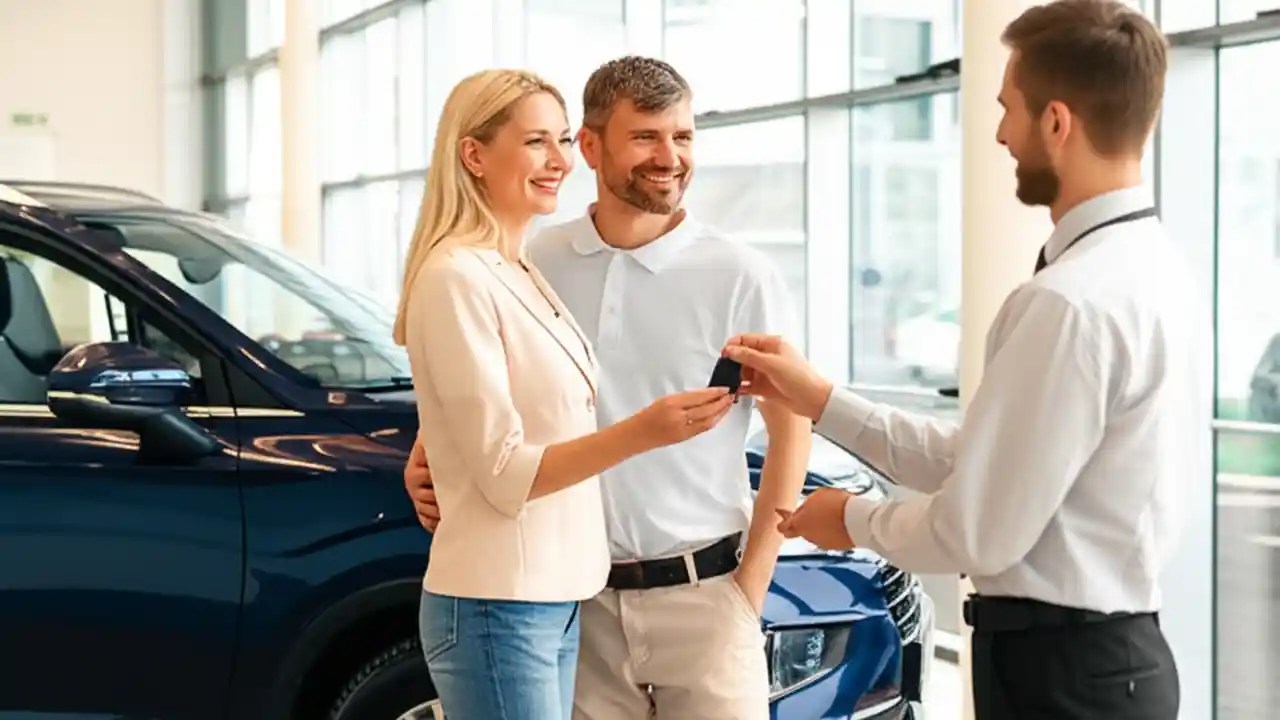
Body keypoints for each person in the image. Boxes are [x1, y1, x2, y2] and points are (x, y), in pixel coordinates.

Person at [722, 2, 1206, 718]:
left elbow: (978, 528)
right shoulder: (1153, 268)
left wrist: (849, 518)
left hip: (1062, 676)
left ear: (1057, 122)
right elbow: (987, 461)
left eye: (1009, 109)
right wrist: (821, 399)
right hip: (1103, 663)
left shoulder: (1069, 303)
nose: (1002, 134)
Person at [405, 56, 812, 719]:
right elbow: (482, 399)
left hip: (706, 597)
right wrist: (431, 459)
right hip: (575, 602)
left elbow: (794, 428)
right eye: (646, 136)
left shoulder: (741, 274)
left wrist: (751, 587)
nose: (669, 157)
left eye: (682, 137)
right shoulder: (533, 260)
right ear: (591, 147)